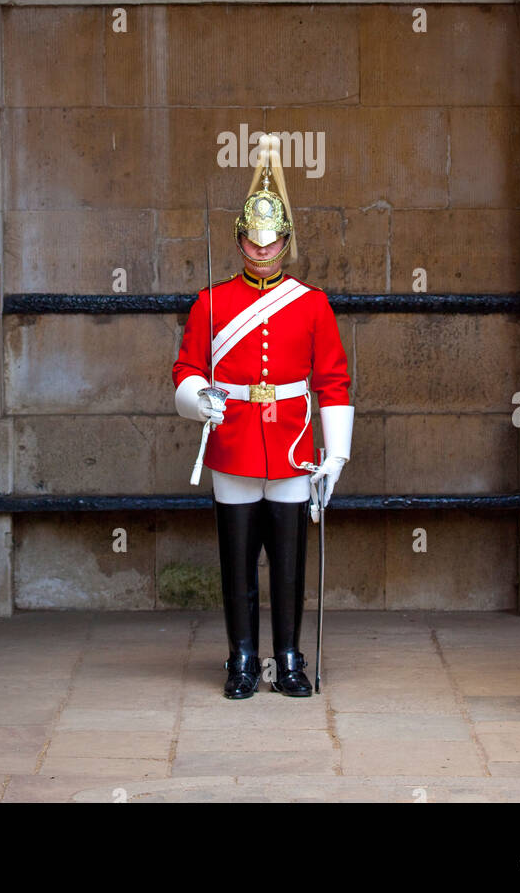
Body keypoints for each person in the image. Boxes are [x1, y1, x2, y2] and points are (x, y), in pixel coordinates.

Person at [172, 134, 354, 698]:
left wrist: (337, 453)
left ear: (285, 243)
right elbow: (186, 369)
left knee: (290, 565)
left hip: (294, 445)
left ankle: (290, 658)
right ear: (240, 241)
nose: (261, 251)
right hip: (234, 444)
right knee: (237, 562)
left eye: (270, 244)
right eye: (253, 243)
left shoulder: (312, 303)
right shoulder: (210, 303)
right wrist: (199, 396)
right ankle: (243, 659)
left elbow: (332, 381)